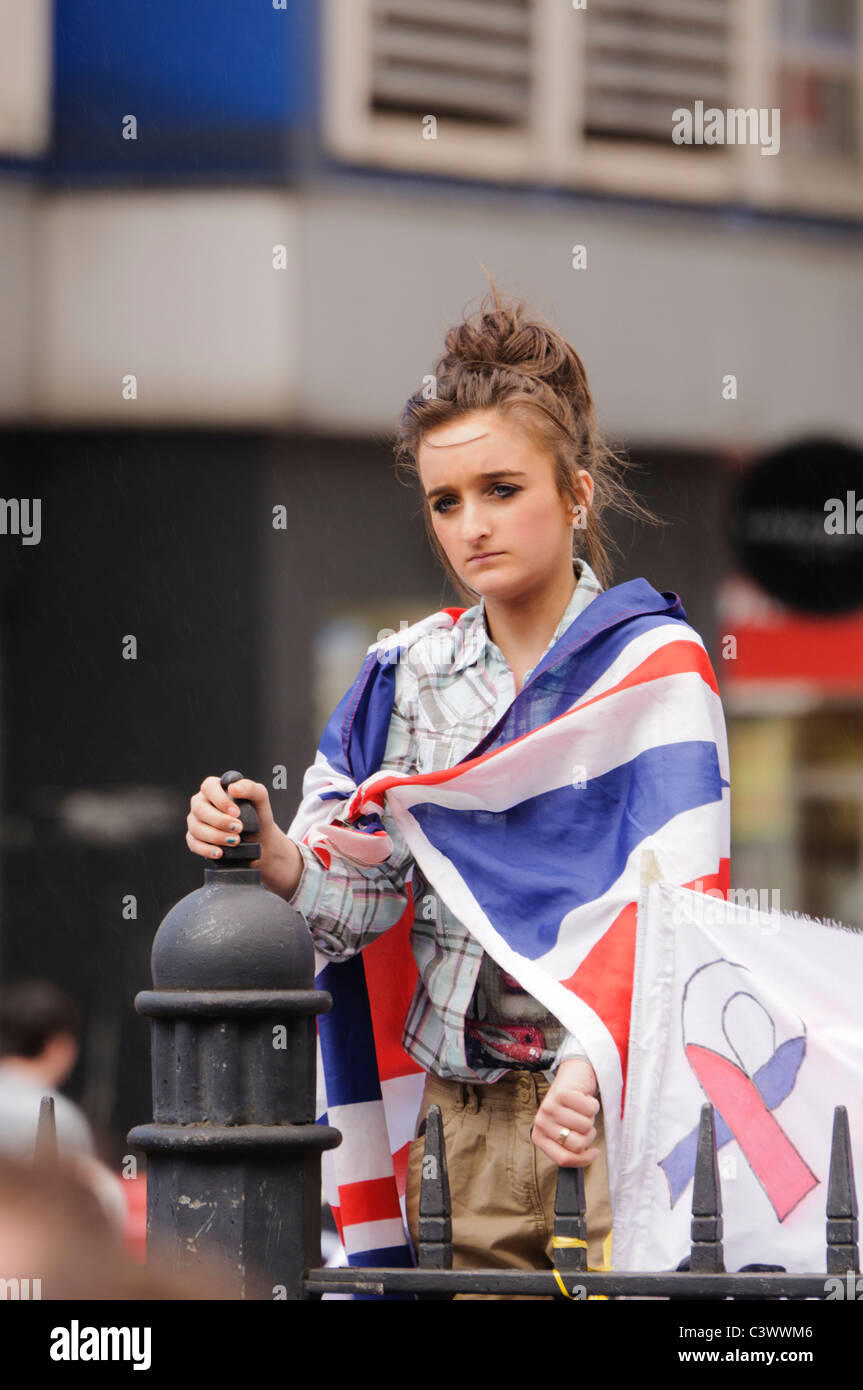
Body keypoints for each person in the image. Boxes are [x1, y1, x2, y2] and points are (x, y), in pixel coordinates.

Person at [185, 280, 673, 1294]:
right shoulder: (403, 677)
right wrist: (278, 856)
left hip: (629, 1110)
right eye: (444, 501)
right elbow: (370, 901)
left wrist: (595, 1057)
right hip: (464, 1116)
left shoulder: (650, 667)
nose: (469, 526)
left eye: (501, 488)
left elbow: (678, 905)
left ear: (575, 493)